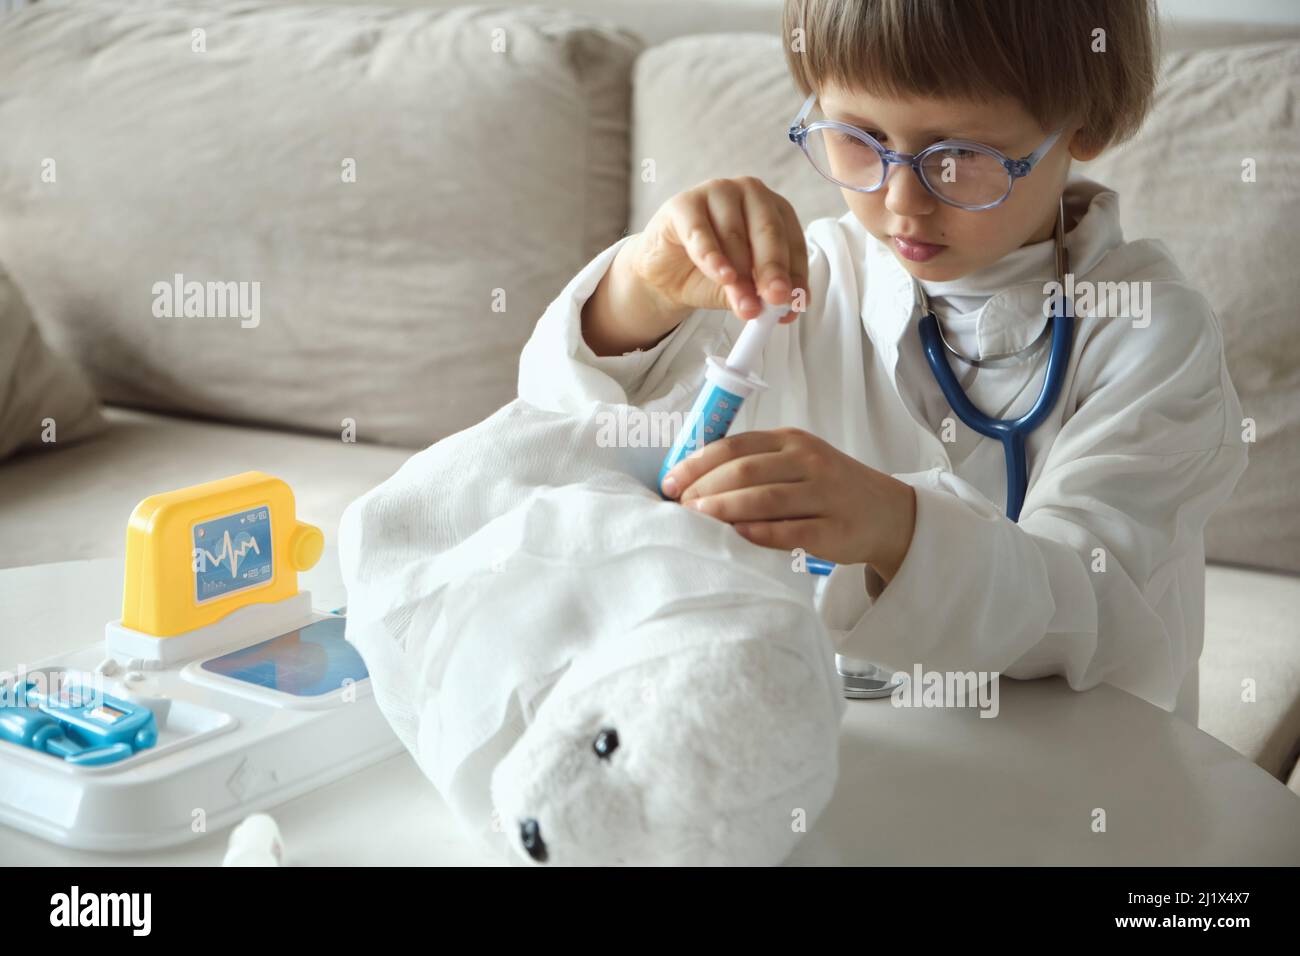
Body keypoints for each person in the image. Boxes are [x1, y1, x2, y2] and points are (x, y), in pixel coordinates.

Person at [517, 0, 1247, 723]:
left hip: (1077, 777)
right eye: (859, 138)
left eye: (957, 156)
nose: (903, 202)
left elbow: (1094, 606)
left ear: (1081, 125)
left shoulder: (1149, 333)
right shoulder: (810, 276)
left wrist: (898, 529)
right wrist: (640, 292)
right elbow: (562, 440)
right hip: (835, 750)